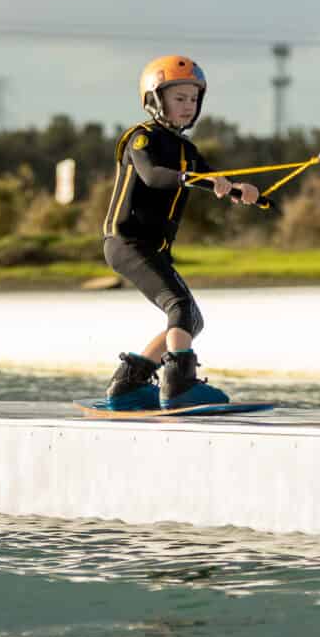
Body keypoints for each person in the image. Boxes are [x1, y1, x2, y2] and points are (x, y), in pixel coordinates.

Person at [98, 55, 259, 410]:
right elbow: (153, 176)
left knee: (190, 318)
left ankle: (130, 383)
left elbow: (215, 181)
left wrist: (244, 192)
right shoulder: (141, 140)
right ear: (156, 100)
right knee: (180, 307)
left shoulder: (187, 150)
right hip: (126, 241)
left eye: (194, 99)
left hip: (152, 248)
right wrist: (192, 179)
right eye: (180, 98)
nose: (189, 106)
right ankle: (179, 385)